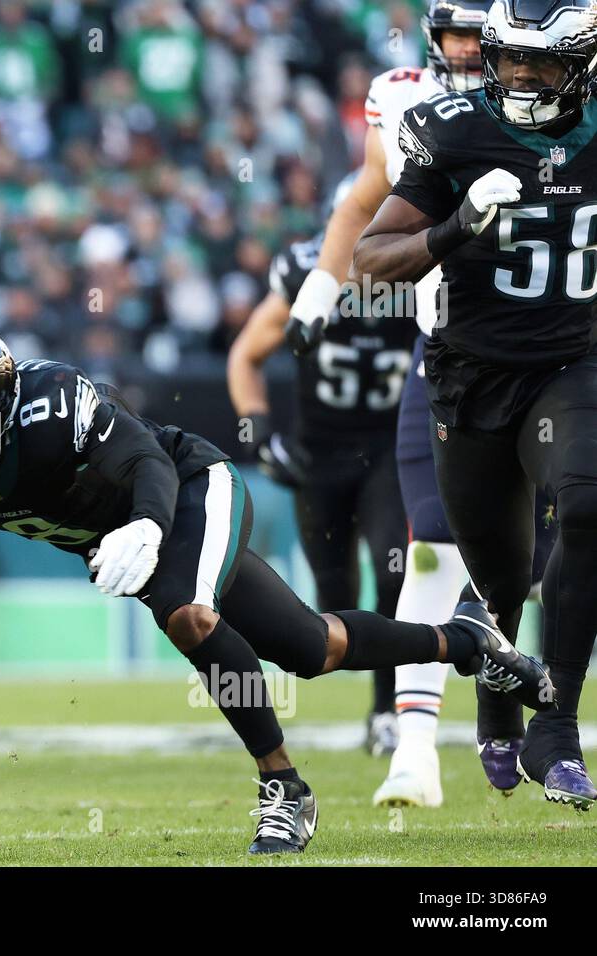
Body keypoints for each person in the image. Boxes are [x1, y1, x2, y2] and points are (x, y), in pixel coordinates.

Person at [0, 315, 554, 854]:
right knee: (308, 645)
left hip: (188, 490)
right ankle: (466, 642)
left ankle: (283, 788)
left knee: (188, 615)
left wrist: (149, 527)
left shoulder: (49, 403)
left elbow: (146, 462)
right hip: (133, 538)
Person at [283, 0, 536, 807]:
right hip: (454, 359)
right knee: (430, 547)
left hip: (562, 359)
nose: (466, 50)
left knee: (541, 559)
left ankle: (516, 712)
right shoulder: (407, 104)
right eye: (454, 36)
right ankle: (416, 748)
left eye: (479, 36)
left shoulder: (571, 110)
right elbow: (364, 200)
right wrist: (322, 289)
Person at [354, 0, 597, 809]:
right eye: (512, 58)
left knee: (588, 505)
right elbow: (372, 258)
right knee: (496, 573)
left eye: (543, 62)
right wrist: (458, 225)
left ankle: (556, 727)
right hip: (470, 373)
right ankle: (499, 700)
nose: (523, 75)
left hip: (572, 361)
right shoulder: (452, 127)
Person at [228, 214, 416, 756]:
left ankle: (388, 712)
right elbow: (246, 356)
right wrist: (259, 435)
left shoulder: (419, 275)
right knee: (335, 600)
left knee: (392, 571)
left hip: (387, 451)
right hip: (320, 457)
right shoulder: (306, 274)